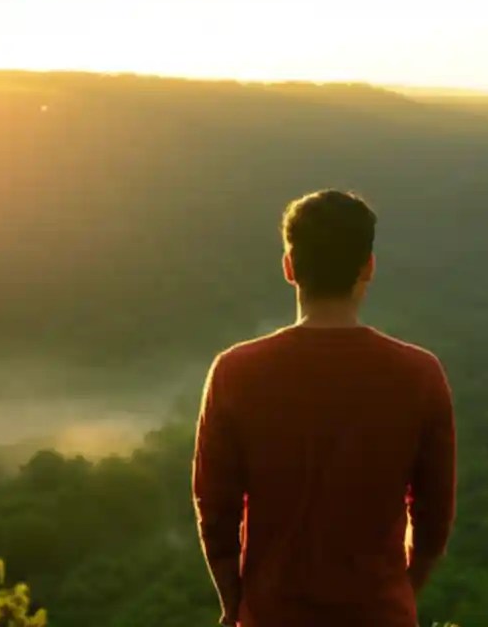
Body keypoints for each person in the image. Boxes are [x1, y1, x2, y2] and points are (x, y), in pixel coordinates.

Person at [193, 189, 457, 627]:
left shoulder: (235, 372)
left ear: (289, 267)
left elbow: (214, 511)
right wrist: (400, 595)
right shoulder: (419, 374)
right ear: (368, 268)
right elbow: (434, 520)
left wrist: (233, 604)